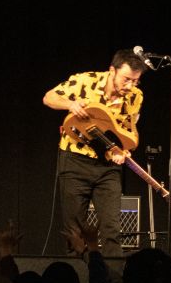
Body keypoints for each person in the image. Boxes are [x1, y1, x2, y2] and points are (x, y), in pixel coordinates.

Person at [42, 49, 147, 259]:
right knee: (74, 231)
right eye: (126, 79)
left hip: (108, 168)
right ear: (112, 71)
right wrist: (70, 104)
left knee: (111, 230)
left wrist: (124, 151)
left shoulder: (135, 96)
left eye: (135, 81)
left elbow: (129, 129)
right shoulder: (85, 81)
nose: (130, 86)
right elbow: (49, 98)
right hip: (75, 162)